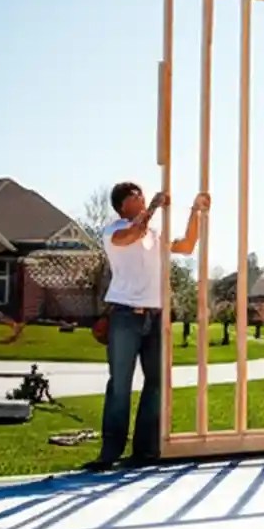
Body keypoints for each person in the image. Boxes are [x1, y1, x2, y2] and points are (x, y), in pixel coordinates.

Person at [83, 183, 209, 471]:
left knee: (156, 384)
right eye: (135, 196)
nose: (140, 198)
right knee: (120, 385)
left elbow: (187, 246)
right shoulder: (113, 231)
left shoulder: (153, 235)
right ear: (122, 205)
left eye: (141, 194)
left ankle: (145, 450)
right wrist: (152, 207)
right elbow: (133, 234)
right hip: (125, 316)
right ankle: (109, 452)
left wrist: (195, 210)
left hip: (154, 316)